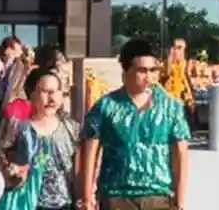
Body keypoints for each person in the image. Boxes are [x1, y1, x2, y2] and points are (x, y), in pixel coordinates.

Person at [80, 39, 190, 210]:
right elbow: (90, 151)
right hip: (117, 195)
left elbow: (180, 153)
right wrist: (87, 198)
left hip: (158, 195)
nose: (149, 76)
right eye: (142, 70)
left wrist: (180, 200)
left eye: (153, 70)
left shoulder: (171, 107)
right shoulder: (106, 106)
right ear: (126, 71)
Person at [0, 68, 80, 210]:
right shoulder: (19, 127)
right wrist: (10, 169)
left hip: (65, 204)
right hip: (29, 203)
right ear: (31, 94)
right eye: (45, 92)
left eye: (56, 91)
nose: (51, 98)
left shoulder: (71, 128)